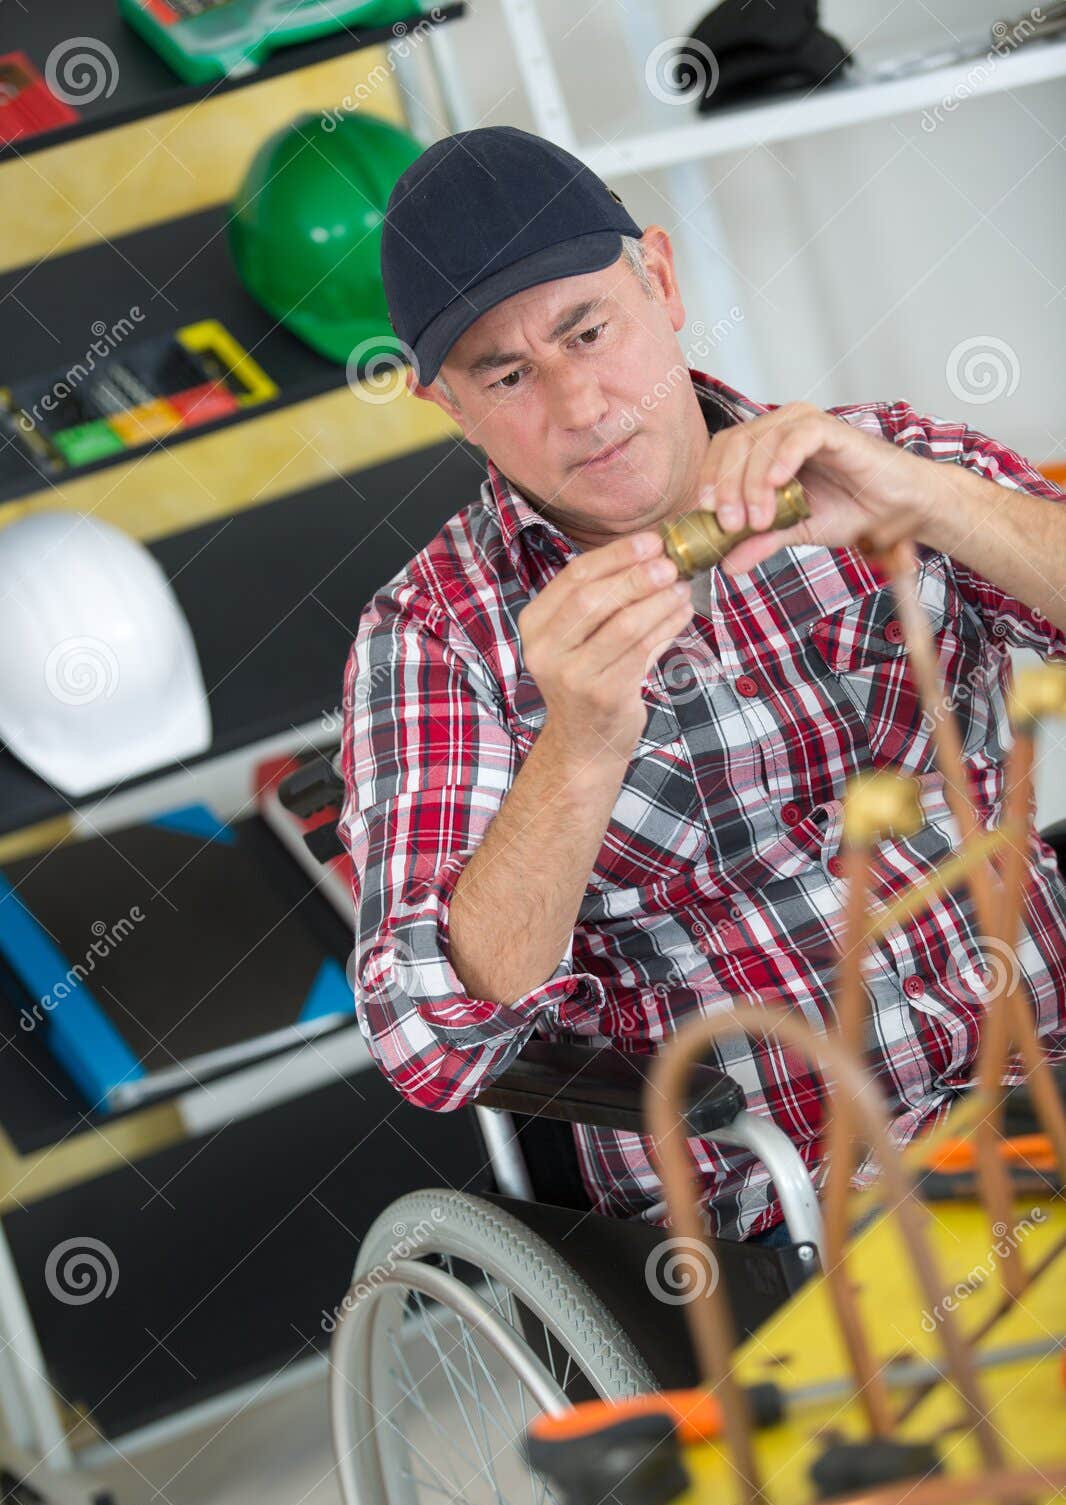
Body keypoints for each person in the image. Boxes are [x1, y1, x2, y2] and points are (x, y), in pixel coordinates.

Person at [338, 124, 1066, 1240]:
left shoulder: (872, 453)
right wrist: (575, 749)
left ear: (662, 282)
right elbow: (430, 1043)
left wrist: (935, 504)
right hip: (794, 1198)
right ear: (449, 404)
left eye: (589, 331)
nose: (580, 405)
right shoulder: (434, 636)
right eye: (508, 374)